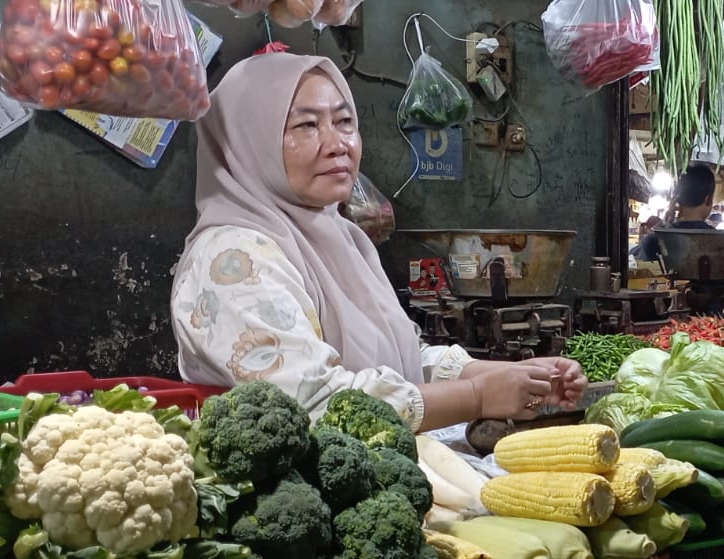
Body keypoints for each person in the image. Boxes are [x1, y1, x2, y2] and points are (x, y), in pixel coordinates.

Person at [169, 53, 586, 431]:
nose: (338, 145)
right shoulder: (231, 259)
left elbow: (391, 360)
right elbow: (317, 403)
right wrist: (477, 397)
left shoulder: (343, 236)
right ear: (245, 143)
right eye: (306, 125)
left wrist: (501, 374)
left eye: (344, 121)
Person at [633, 165, 717, 262]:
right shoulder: (720, 241)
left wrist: (662, 225)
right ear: (709, 199)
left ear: (677, 198)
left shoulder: (652, 242)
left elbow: (633, 257)